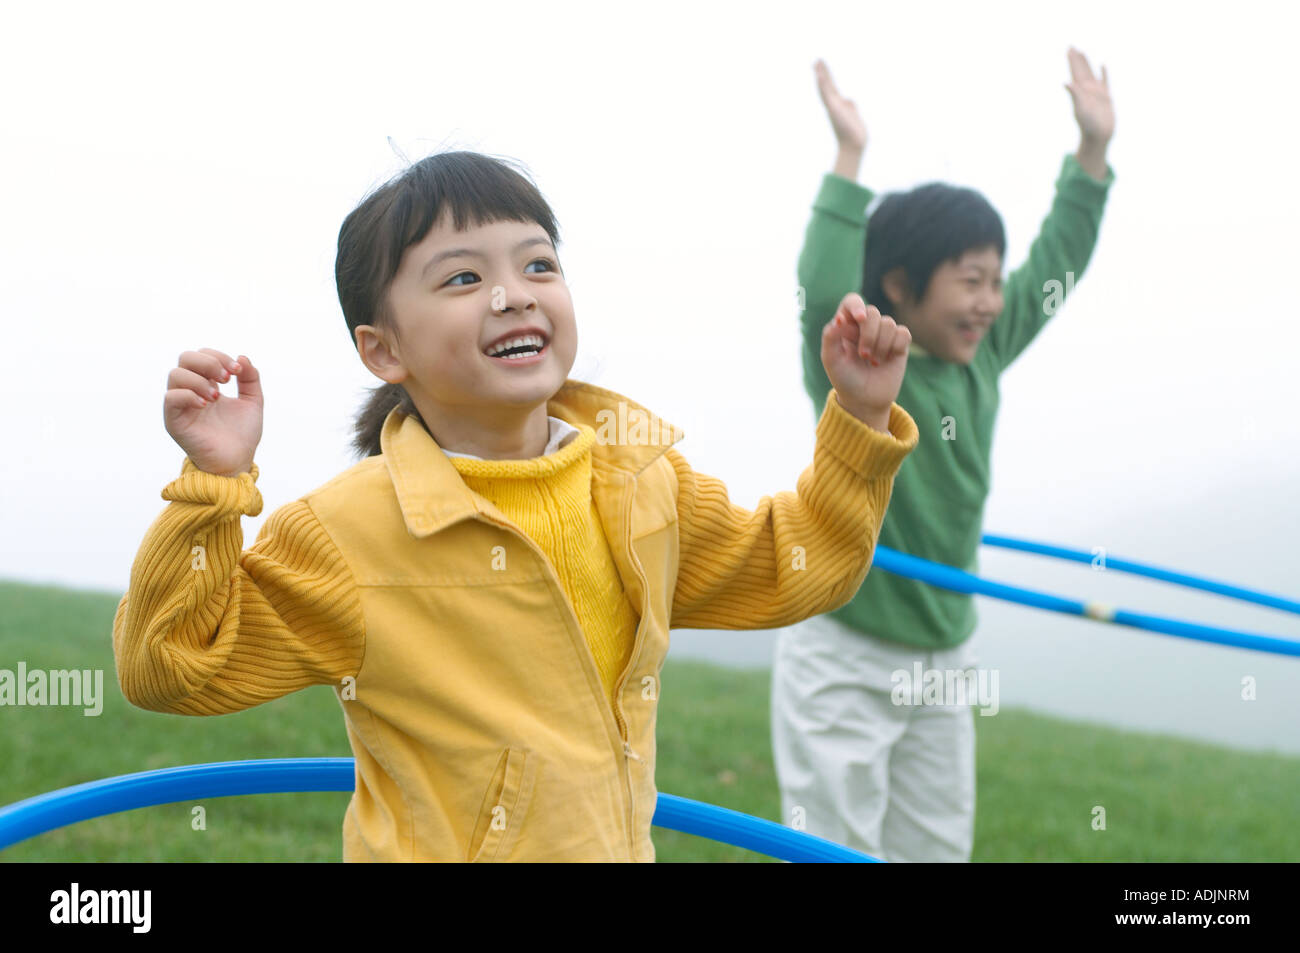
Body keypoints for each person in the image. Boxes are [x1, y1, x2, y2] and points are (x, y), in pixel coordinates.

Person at [112, 149, 920, 862]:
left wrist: (860, 420)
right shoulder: (349, 535)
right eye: (464, 277)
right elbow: (168, 663)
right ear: (383, 348)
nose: (512, 296)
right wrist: (212, 485)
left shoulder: (641, 482)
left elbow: (800, 566)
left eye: (538, 266)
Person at [771, 49, 1116, 862]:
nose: (990, 301)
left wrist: (1093, 152)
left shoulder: (985, 352)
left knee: (935, 850)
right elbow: (823, 288)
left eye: (995, 280)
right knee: (836, 849)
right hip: (845, 646)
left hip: (943, 653)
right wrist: (850, 159)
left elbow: (1057, 263)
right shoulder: (853, 370)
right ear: (900, 284)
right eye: (970, 280)